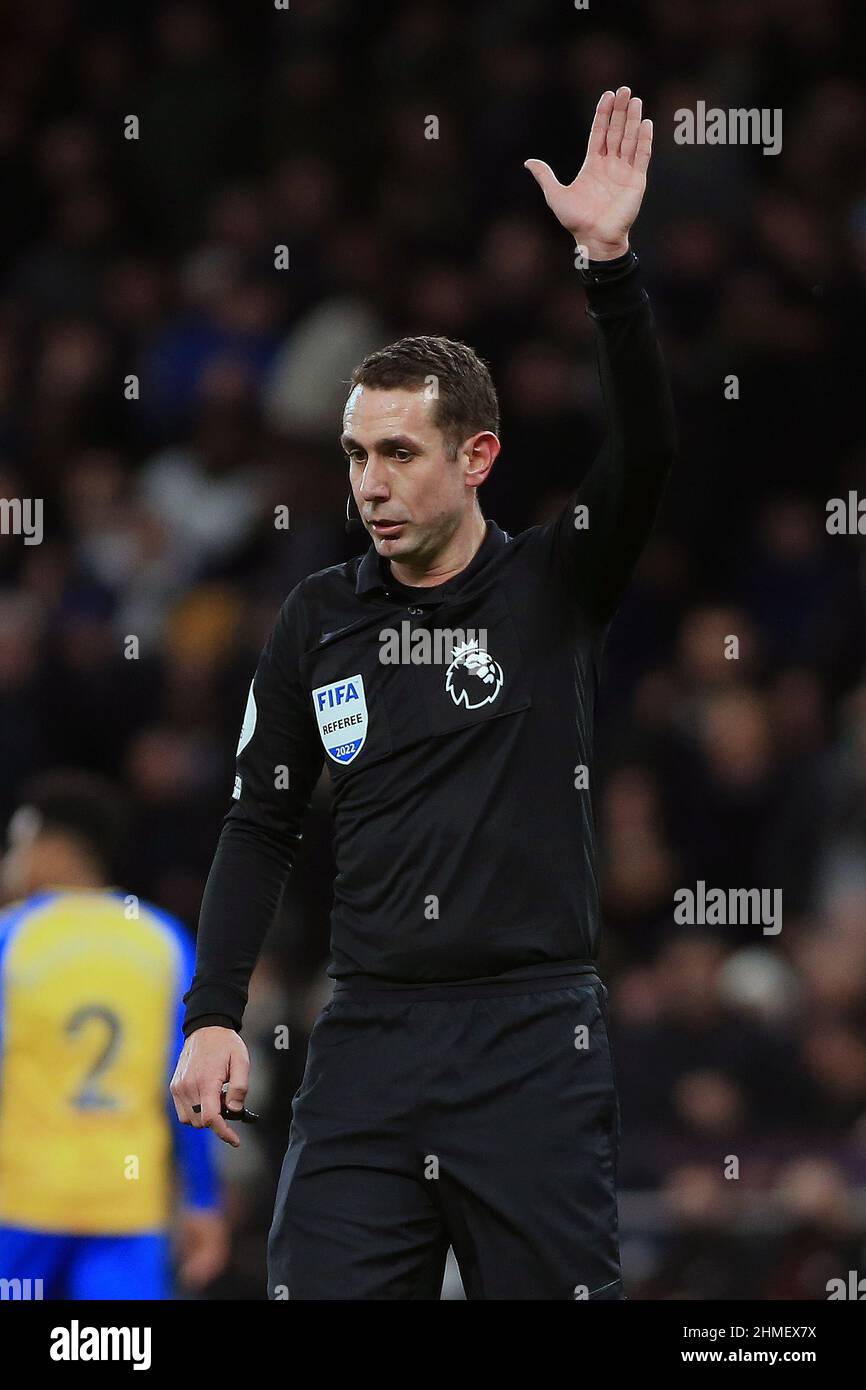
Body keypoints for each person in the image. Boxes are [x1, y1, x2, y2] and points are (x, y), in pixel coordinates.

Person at [173, 86, 676, 1299]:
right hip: (367, 1043)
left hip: (530, 1040)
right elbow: (260, 819)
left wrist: (608, 269)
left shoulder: (554, 585)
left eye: (398, 453)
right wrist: (213, 1011)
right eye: (356, 454)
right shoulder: (317, 616)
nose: (370, 483)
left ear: (475, 456)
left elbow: (649, 448)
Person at [0, 771, 226, 1299]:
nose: (11, 861)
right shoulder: (164, 940)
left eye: (18, 845)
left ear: (54, 847)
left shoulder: (11, 937)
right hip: (128, 1205)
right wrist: (202, 1199)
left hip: (22, 1199)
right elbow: (191, 1081)